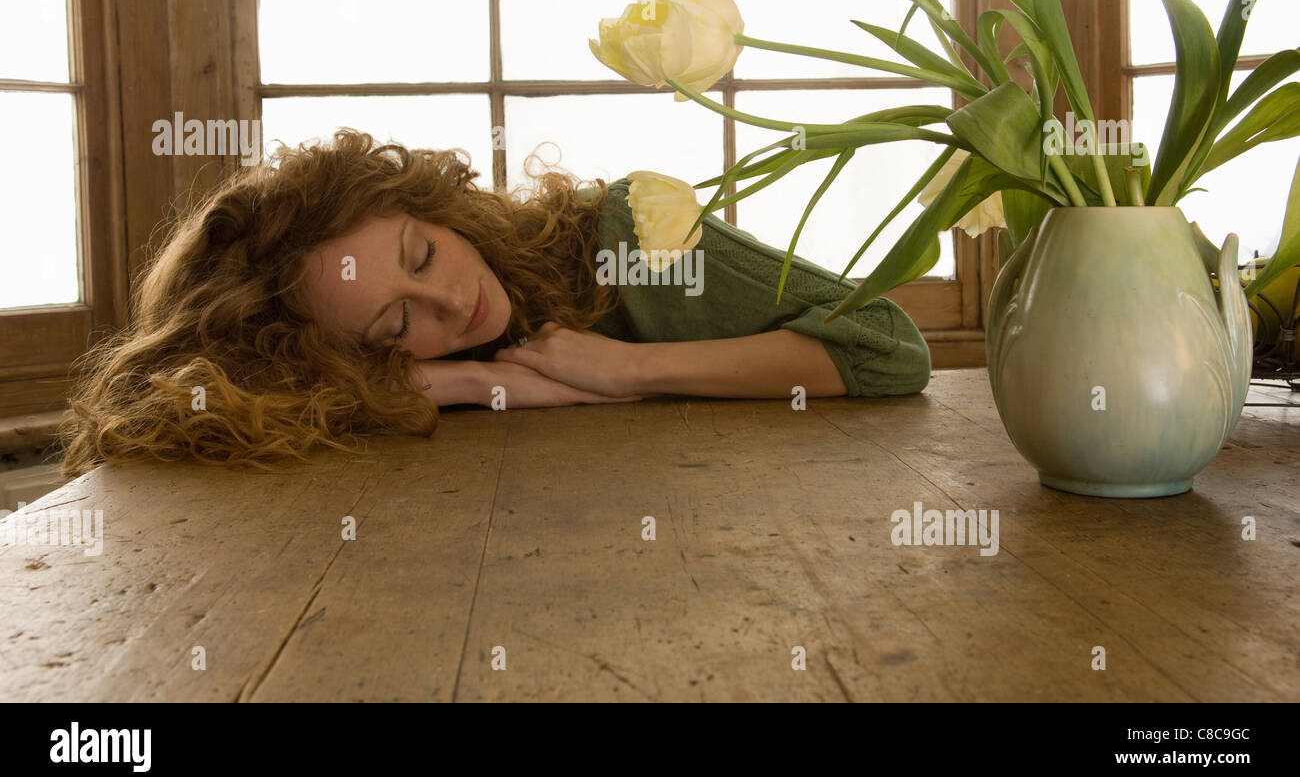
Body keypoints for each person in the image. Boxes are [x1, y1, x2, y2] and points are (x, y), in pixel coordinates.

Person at [57, 128, 931, 476]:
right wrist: (450, 386)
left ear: (430, 207)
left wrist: (626, 371)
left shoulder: (625, 236)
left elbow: (890, 349)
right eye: (399, 321)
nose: (452, 298)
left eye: (423, 252)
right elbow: (143, 408)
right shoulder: (412, 372)